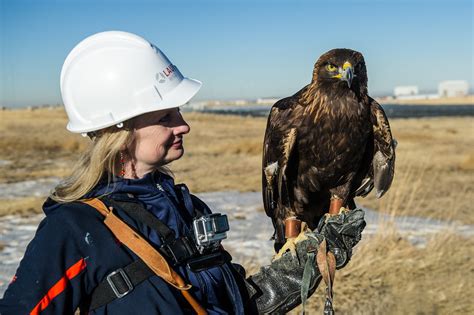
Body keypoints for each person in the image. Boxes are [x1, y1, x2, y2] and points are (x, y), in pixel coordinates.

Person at [0, 31, 365, 315]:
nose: (184, 125)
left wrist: (304, 265)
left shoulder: (183, 206)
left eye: (179, 112)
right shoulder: (76, 228)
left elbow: (233, 303)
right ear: (120, 129)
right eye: (165, 117)